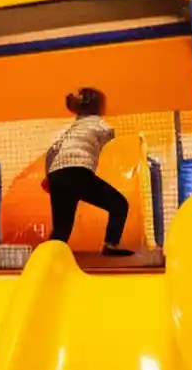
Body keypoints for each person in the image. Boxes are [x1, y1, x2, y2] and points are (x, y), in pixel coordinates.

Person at [41, 87, 134, 256]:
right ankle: (110, 245)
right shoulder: (98, 123)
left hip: (57, 175)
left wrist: (49, 176)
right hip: (78, 172)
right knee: (119, 204)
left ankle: (45, 258)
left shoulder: (71, 130)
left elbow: (51, 152)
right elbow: (109, 133)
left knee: (61, 229)